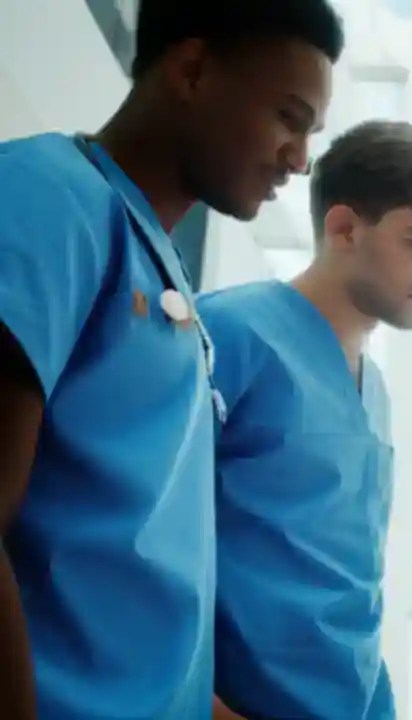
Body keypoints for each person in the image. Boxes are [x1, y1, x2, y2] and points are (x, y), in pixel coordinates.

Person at [0, 1, 342, 718]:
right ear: (191, 70)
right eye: (288, 117)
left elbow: (130, 582)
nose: (300, 158)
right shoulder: (43, 197)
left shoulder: (167, 281)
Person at [198, 119, 412, 720]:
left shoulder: (376, 395)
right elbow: (147, 537)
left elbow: (350, 590)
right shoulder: (228, 336)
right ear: (344, 228)